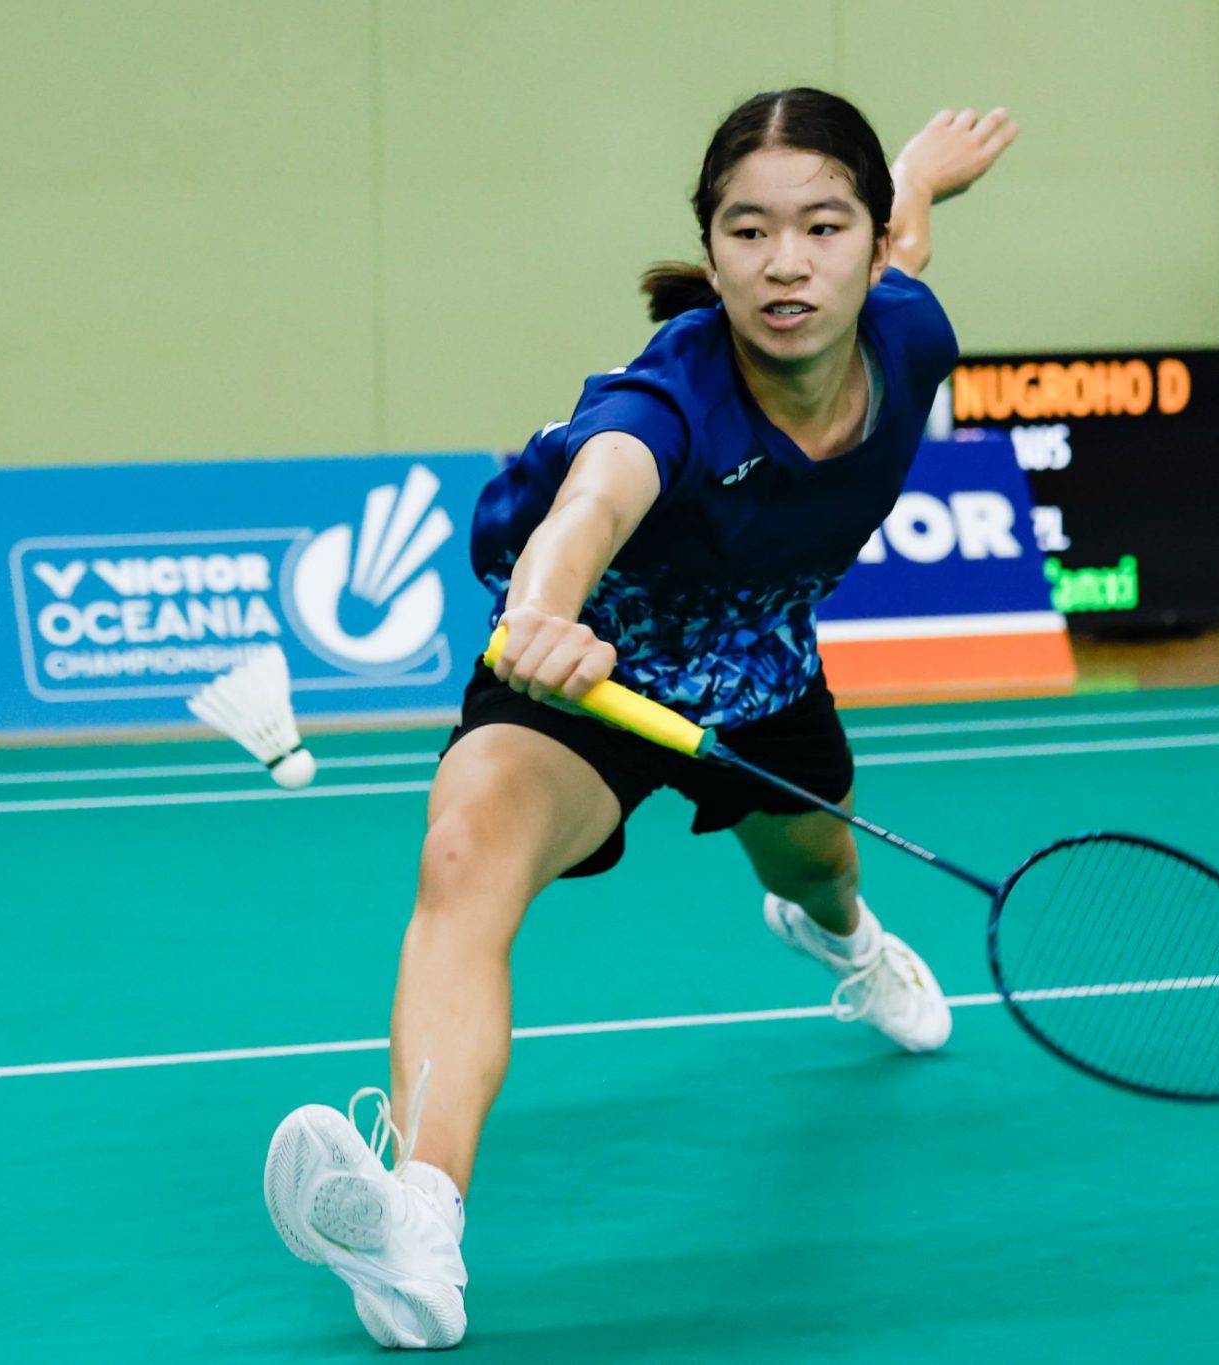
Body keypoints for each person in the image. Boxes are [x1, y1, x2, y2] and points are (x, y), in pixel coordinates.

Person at [261, 88, 1017, 1349]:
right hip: (586, 665)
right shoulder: (662, 407)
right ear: (708, 245)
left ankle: (838, 941)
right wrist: (549, 620)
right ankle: (418, 1227)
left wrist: (922, 178)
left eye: (823, 227)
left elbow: (905, 246)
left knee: (818, 865)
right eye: (747, 231)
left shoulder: (907, 326)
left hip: (760, 663)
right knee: (464, 855)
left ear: (869, 239)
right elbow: (586, 513)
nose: (785, 264)